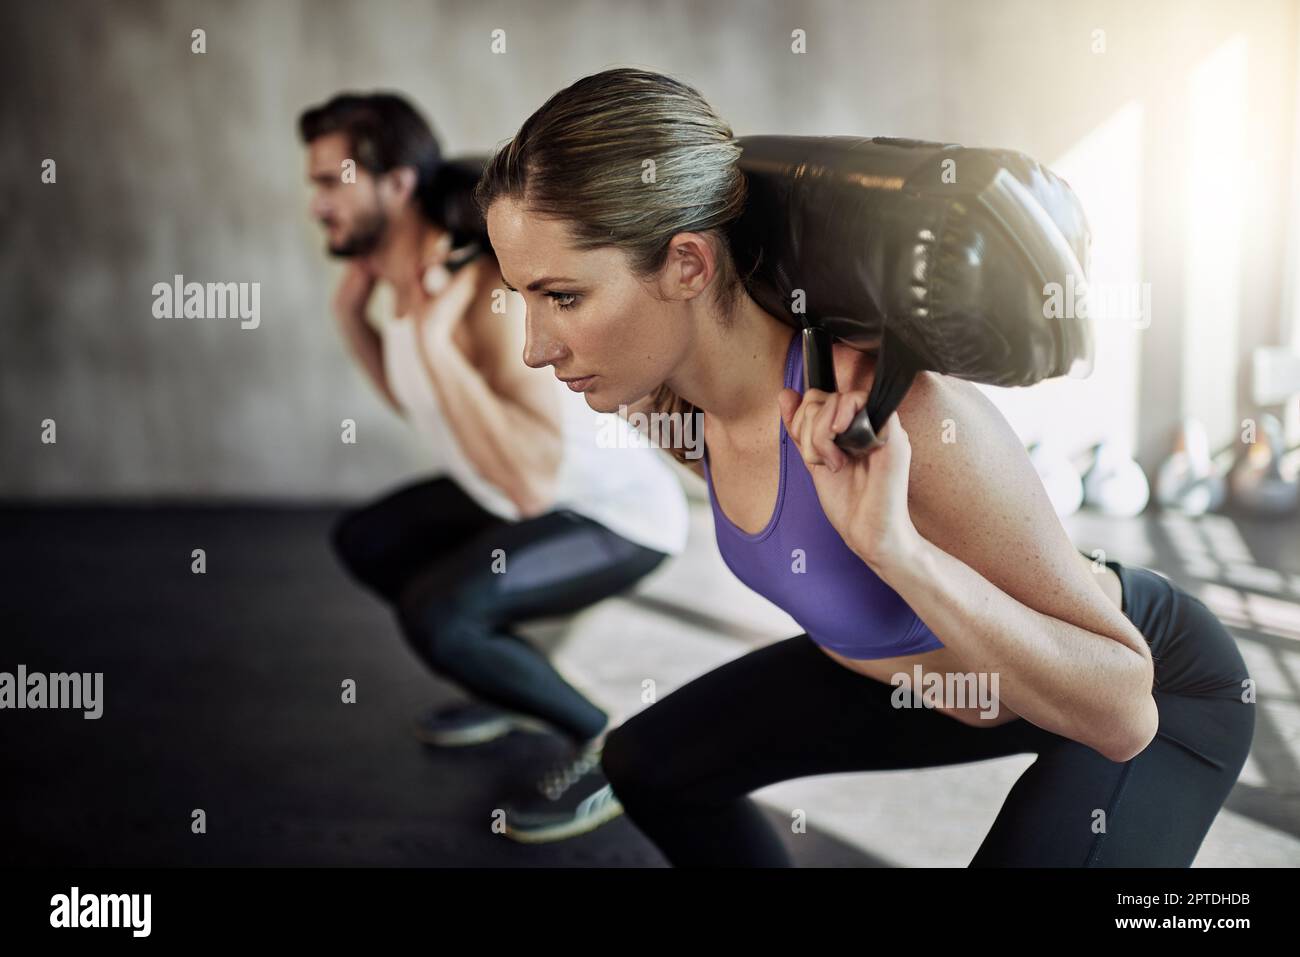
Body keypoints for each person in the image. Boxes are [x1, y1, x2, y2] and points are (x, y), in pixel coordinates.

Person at [472, 67, 1257, 866]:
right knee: (649, 767)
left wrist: (897, 551)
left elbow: (1124, 711)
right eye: (523, 299)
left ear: (687, 265)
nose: (535, 346)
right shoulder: (670, 404)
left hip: (1142, 688)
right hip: (928, 680)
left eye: (563, 296)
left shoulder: (905, 420)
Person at [297, 92, 691, 843]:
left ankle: (608, 744)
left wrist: (443, 344)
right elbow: (429, 413)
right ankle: (506, 678)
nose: (317, 204)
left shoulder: (482, 297)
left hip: (610, 517)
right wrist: (353, 317)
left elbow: (529, 484)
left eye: (332, 180)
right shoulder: (406, 285)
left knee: (439, 615)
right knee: (369, 538)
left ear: (398, 184)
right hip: (518, 495)